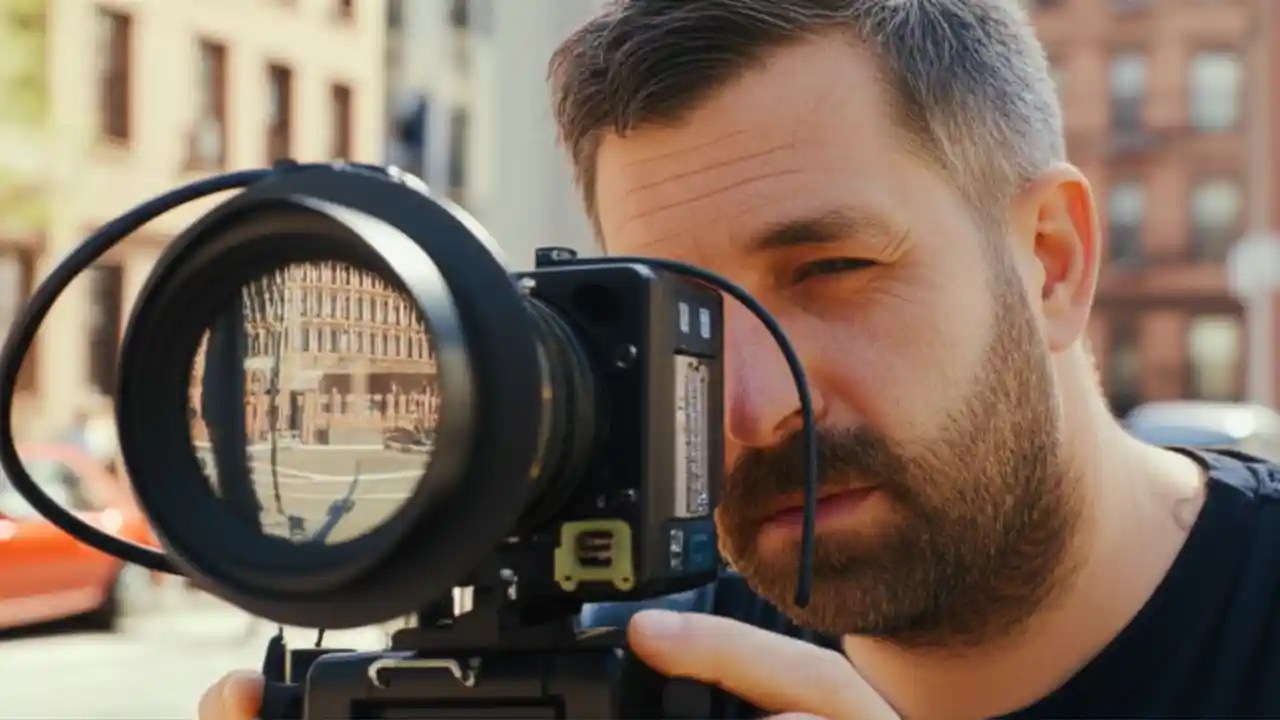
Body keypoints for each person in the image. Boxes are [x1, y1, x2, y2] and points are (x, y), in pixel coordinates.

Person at [200, 1, 1280, 718]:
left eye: (830, 268)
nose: (748, 406)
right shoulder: (629, 673)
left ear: (1048, 262)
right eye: (682, 322)